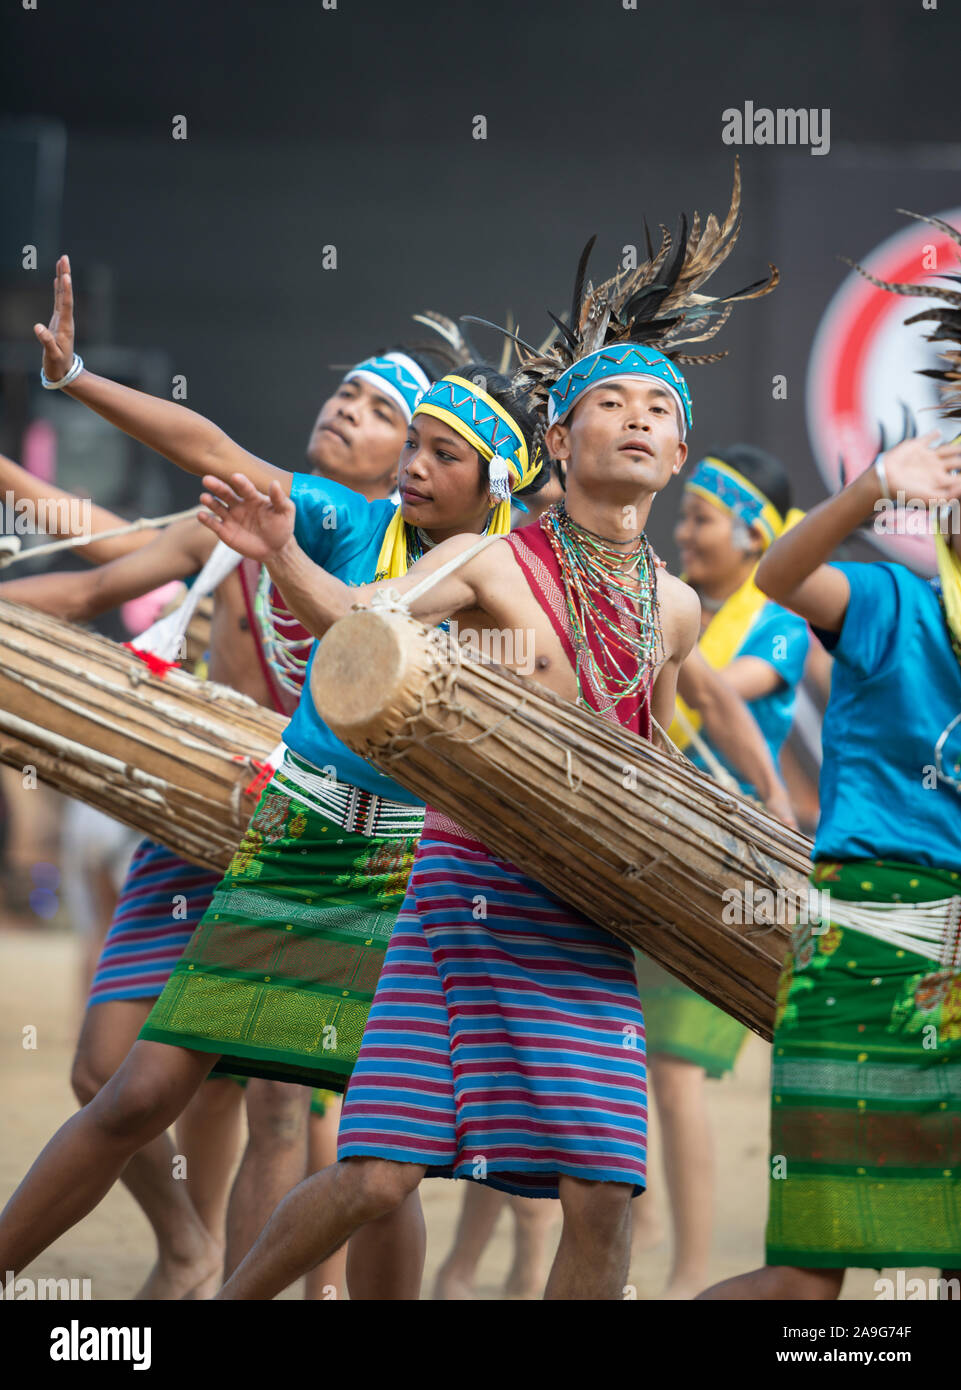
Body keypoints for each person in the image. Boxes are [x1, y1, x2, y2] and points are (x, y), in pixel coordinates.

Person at [191, 196, 780, 1300]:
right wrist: (281, 556)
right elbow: (369, 625)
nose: (641, 419)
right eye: (611, 402)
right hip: (463, 892)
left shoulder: (678, 606)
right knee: (374, 1176)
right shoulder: (491, 559)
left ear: (680, 453)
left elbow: (640, 751)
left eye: (661, 407)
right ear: (559, 441)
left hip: (587, 914)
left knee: (605, 1194)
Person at [0, 257, 551, 1296]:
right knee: (131, 1092)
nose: (416, 467)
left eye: (442, 451)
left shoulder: (502, 578)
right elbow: (207, 450)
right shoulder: (347, 521)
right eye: (416, 445)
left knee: (376, 1163)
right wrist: (73, 377)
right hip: (289, 838)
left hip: (401, 873)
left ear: (498, 483)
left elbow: (372, 632)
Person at [699, 222, 961, 1296]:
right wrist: (865, 494)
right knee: (810, 1283)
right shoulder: (890, 599)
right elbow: (776, 579)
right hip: (861, 954)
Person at [632, 443, 809, 1297]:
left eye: (701, 518)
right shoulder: (685, 608)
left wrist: (660, 635)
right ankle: (648, 1225)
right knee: (632, 1061)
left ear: (752, 536)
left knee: (669, 1069)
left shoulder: (776, 621)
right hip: (652, 859)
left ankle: (690, 1272)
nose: (684, 531)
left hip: (729, 875)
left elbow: (720, 689)